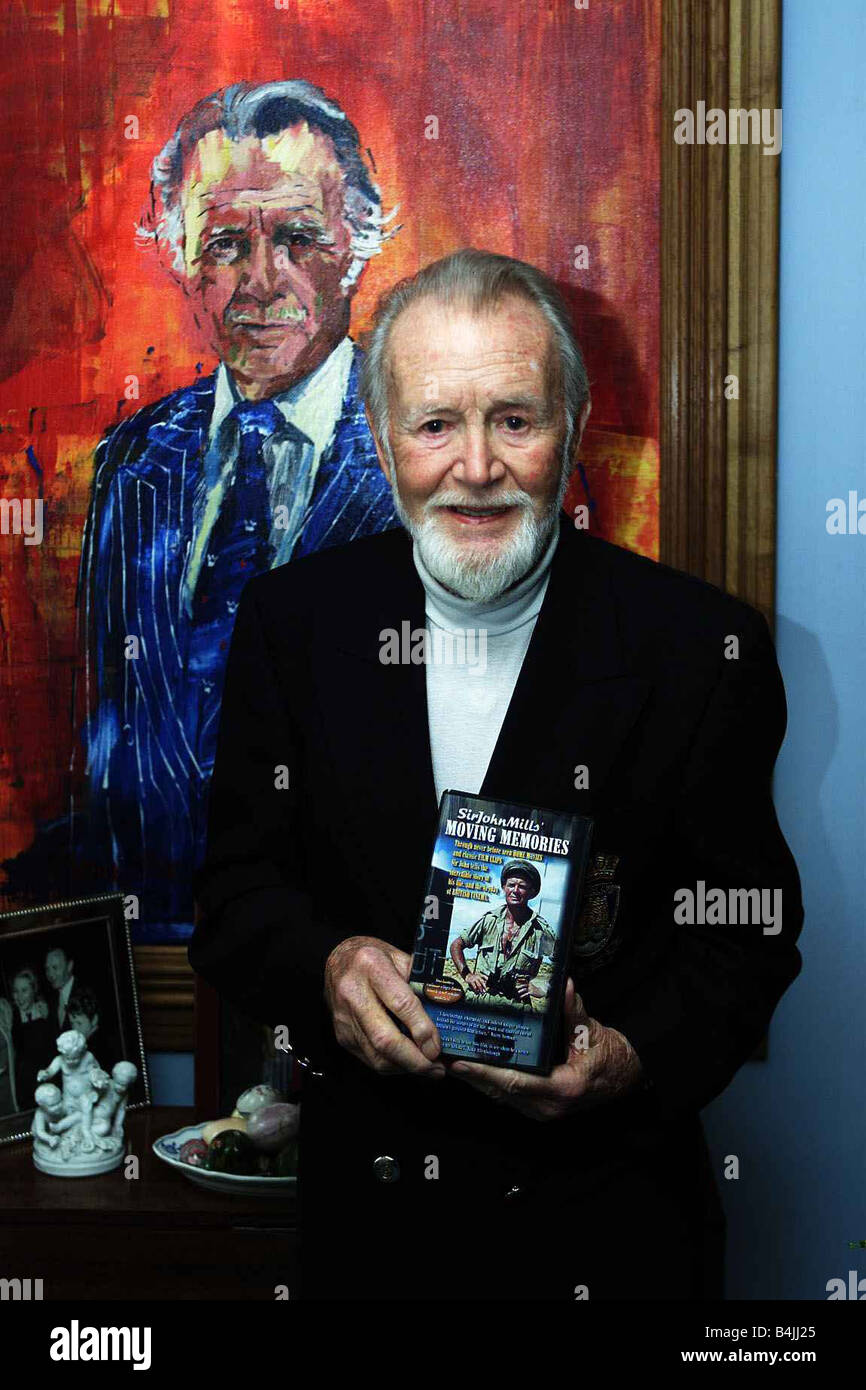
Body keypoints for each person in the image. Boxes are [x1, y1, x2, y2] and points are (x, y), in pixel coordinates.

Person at [189, 248, 804, 1301]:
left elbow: (744, 935)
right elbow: (236, 898)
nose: (475, 466)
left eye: (514, 419)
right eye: (434, 424)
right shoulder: (294, 627)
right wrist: (327, 966)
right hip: (372, 1243)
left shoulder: (699, 647)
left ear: (571, 425)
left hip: (610, 1233)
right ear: (381, 441)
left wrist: (629, 1058)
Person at [4, 79, 400, 936]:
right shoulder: (134, 460)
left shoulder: (424, 456)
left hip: (348, 977)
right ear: (179, 256)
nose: (262, 283)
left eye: (298, 237)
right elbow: (111, 753)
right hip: (157, 963)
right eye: (224, 245)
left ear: (359, 242)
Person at [451, 860, 556, 1005]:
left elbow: (563, 964)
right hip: (479, 1000)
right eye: (511, 885)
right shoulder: (489, 920)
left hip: (516, 1007)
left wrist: (543, 988)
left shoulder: (540, 930)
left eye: (522, 887)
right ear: (504, 887)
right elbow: (456, 944)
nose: (515, 890)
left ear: (532, 892)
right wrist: (468, 975)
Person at [11, 968, 54, 1111]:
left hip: (46, 1083)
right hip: (25, 1088)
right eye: (16, 991)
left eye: (24, 990)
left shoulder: (46, 1014)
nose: (19, 996)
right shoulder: (12, 1018)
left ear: (34, 990)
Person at [44, 947, 76, 1032]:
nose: (50, 974)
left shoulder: (85, 993)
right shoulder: (49, 998)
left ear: (69, 966)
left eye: (55, 967)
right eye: (47, 969)